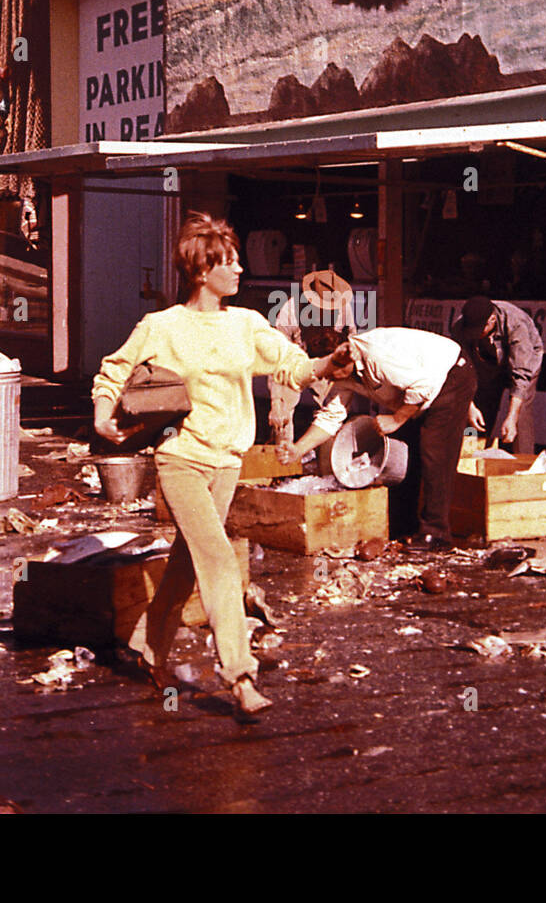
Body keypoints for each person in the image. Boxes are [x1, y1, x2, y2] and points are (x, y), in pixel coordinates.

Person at [92, 213, 345, 716]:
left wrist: (327, 365)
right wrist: (103, 416)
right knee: (221, 560)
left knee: (188, 563)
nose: (239, 270)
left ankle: (148, 645)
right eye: (229, 262)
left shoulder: (246, 324)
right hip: (181, 459)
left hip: (228, 462)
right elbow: (114, 369)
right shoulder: (162, 326)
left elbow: (291, 364)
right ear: (201, 270)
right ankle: (240, 676)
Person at [278, 327, 476, 547]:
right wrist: (298, 449)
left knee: (435, 452)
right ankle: (404, 526)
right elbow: (330, 418)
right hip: (419, 391)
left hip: (451, 376)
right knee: (406, 454)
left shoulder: (376, 356)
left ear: (345, 359)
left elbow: (424, 385)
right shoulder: (342, 375)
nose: (327, 377)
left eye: (330, 370)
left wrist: (397, 419)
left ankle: (437, 534)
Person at [268, 268, 356, 445]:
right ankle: (284, 453)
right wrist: (276, 402)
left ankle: (324, 454)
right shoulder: (290, 311)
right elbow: (277, 359)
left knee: (333, 412)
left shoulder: (344, 307)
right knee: (282, 411)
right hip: (295, 365)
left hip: (329, 365)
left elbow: (352, 340)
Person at [451, 295, 543, 455]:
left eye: (479, 331)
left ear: (492, 320)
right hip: (487, 362)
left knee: (520, 414)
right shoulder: (460, 327)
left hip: (525, 361)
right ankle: (469, 453)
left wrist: (511, 416)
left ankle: (523, 461)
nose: (475, 335)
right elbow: (460, 371)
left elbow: (521, 375)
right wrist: (470, 406)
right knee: (476, 411)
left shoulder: (516, 323)